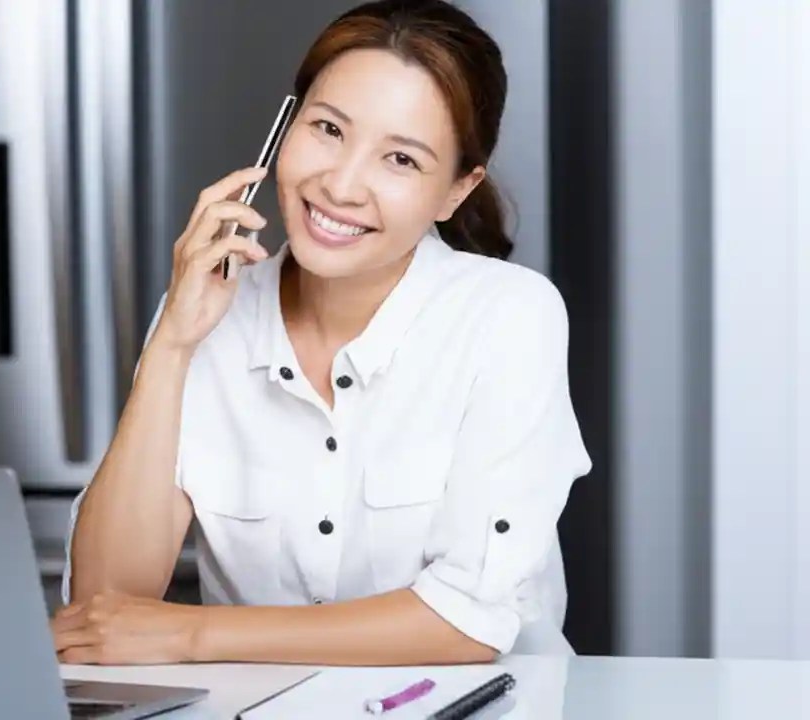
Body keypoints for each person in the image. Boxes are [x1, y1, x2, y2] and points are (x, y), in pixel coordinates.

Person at [53, 0, 591, 666]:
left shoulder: (509, 316)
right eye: (329, 129)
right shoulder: (208, 314)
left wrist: (190, 634)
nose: (341, 185)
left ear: (456, 190)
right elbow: (103, 612)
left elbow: (468, 621)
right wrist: (172, 343)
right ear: (287, 124)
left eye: (400, 159)